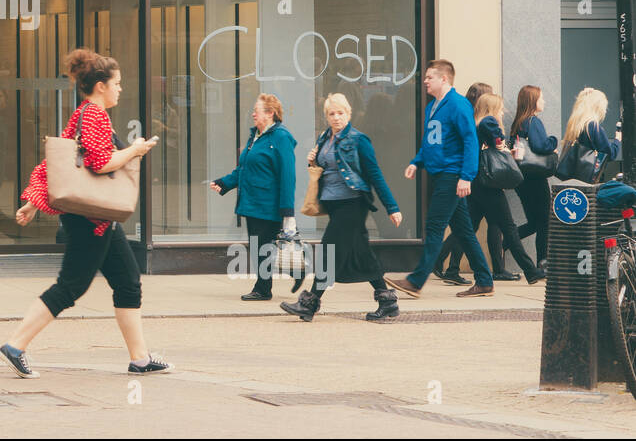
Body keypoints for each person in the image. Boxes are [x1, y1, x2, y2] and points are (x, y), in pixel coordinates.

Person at [0, 48, 168, 379]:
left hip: (100, 218)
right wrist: (134, 150)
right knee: (71, 286)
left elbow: (61, 166)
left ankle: (140, 358)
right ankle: (15, 345)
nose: (121, 88)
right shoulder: (93, 115)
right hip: (90, 220)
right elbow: (99, 163)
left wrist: (34, 201)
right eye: (117, 83)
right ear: (101, 85)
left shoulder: (82, 115)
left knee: (128, 281)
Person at [280, 93, 404, 322]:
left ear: (349, 113)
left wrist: (392, 207)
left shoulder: (358, 140)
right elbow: (325, 169)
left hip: (353, 204)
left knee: (329, 251)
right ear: (326, 116)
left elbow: (375, 174)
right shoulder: (325, 138)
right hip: (334, 205)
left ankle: (309, 303)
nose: (336, 118)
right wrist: (312, 162)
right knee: (362, 255)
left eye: (340, 113)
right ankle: (388, 302)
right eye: (331, 114)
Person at [386, 59, 495, 298]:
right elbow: (431, 142)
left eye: (429, 77)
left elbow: (470, 141)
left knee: (434, 227)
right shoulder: (432, 106)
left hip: (452, 175)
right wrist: (417, 162)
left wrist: (466, 177)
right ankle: (485, 281)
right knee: (464, 231)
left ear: (443, 79)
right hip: (441, 174)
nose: (424, 81)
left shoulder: (458, 105)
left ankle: (415, 281)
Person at [209, 93, 298, 301]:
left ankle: (263, 289)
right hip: (252, 202)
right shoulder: (256, 136)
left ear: (270, 113)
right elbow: (244, 168)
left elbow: (288, 176)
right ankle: (270, 283)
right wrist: (224, 183)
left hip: (268, 204)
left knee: (263, 248)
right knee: (260, 247)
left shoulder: (281, 137)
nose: (253, 114)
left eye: (256, 111)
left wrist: (287, 211)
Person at [466, 93, 545, 284]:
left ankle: (441, 262)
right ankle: (531, 271)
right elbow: (498, 139)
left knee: (467, 228)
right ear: (493, 108)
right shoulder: (489, 121)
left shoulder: (476, 123)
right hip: (488, 186)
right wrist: (500, 134)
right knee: (509, 227)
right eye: (500, 108)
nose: (503, 112)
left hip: (477, 183)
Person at [434, 82, 495, 284]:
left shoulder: (465, 115)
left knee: (464, 227)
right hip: (468, 180)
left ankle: (448, 266)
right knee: (465, 228)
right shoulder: (474, 120)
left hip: (464, 179)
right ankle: (441, 263)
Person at [510, 85, 558, 273]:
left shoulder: (518, 123)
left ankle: (506, 241)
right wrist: (553, 142)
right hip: (536, 179)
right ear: (533, 101)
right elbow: (540, 145)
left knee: (534, 222)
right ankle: (543, 263)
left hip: (522, 179)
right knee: (545, 221)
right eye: (541, 98)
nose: (544, 101)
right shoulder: (533, 121)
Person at [560, 87, 622, 180]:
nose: (605, 110)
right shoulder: (593, 126)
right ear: (597, 107)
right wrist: (617, 140)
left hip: (573, 178)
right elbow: (610, 154)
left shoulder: (575, 125)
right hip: (588, 179)